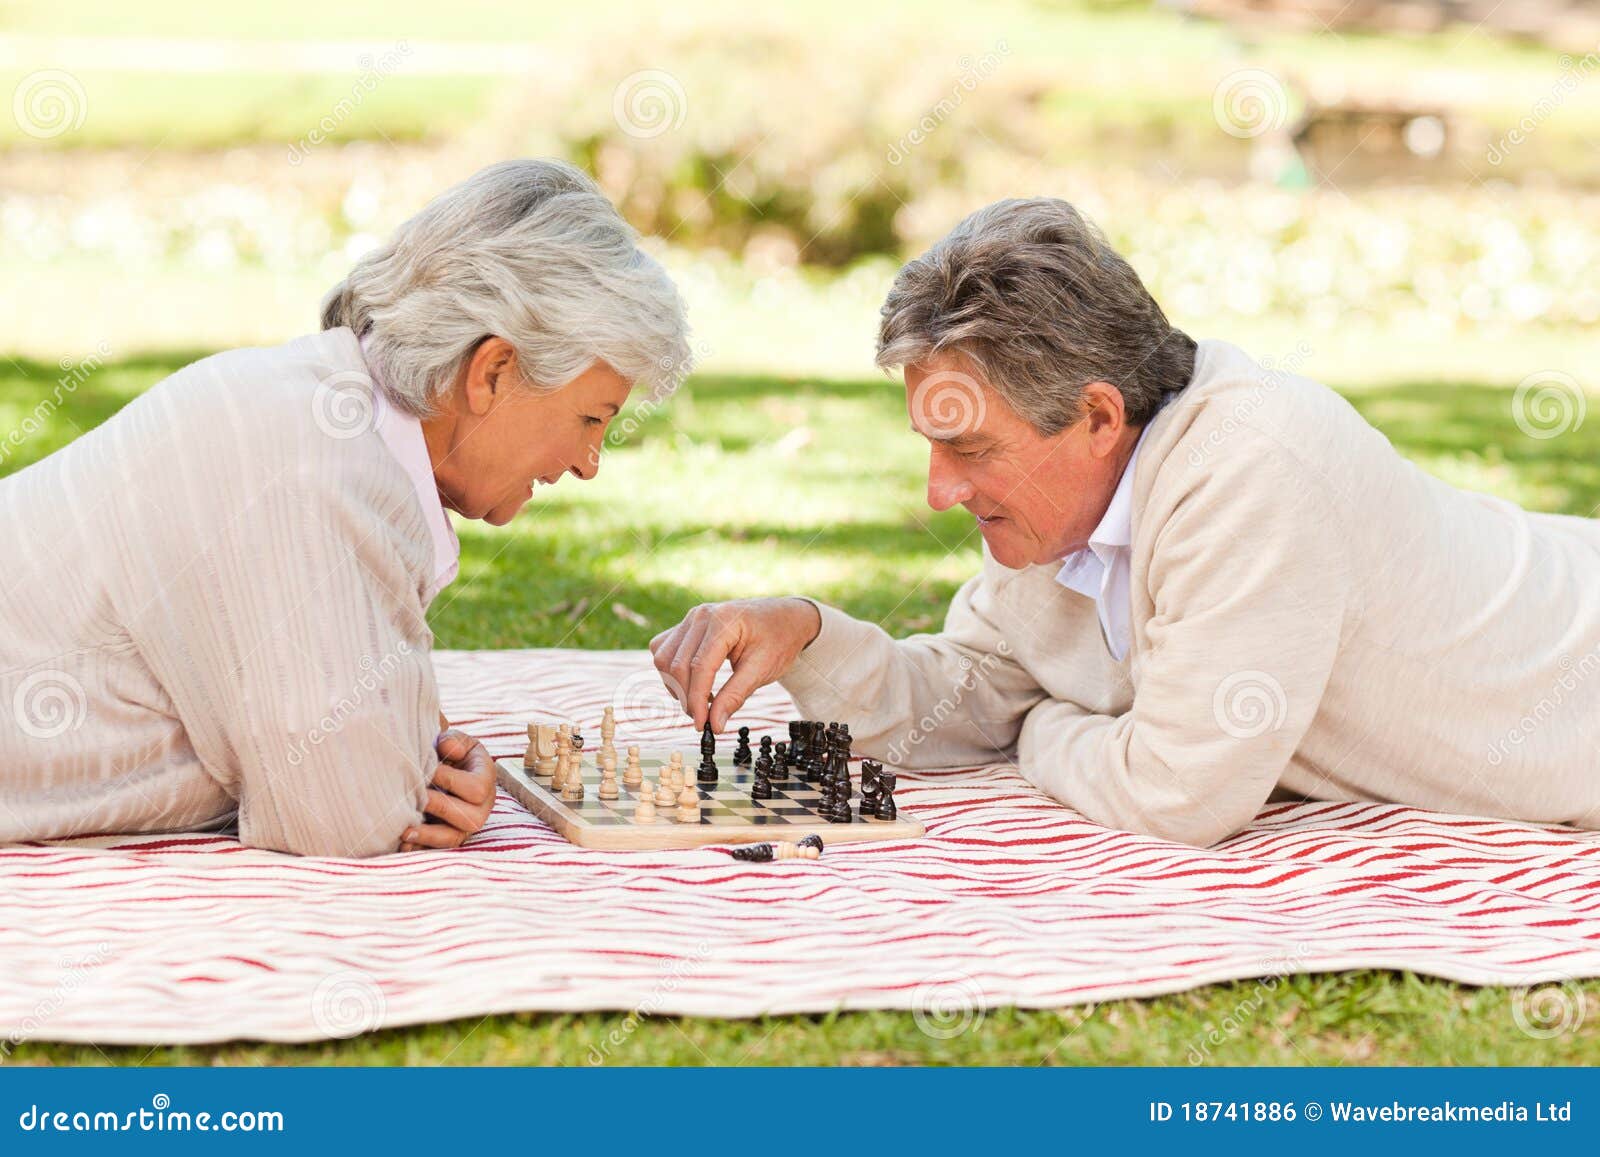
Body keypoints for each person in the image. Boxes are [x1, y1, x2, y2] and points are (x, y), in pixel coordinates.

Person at [650, 197, 1600, 846]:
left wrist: (1044, 733)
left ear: (1099, 416)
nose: (939, 490)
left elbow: (1176, 794)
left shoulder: (1250, 471)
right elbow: (969, 696)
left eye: (971, 448)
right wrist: (806, 633)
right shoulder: (1062, 503)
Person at [1, 159, 690, 856]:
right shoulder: (315, 472)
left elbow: (379, 724)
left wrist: (426, 756)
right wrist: (423, 776)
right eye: (590, 419)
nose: (589, 462)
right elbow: (349, 821)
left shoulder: (331, 411)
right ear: (493, 371)